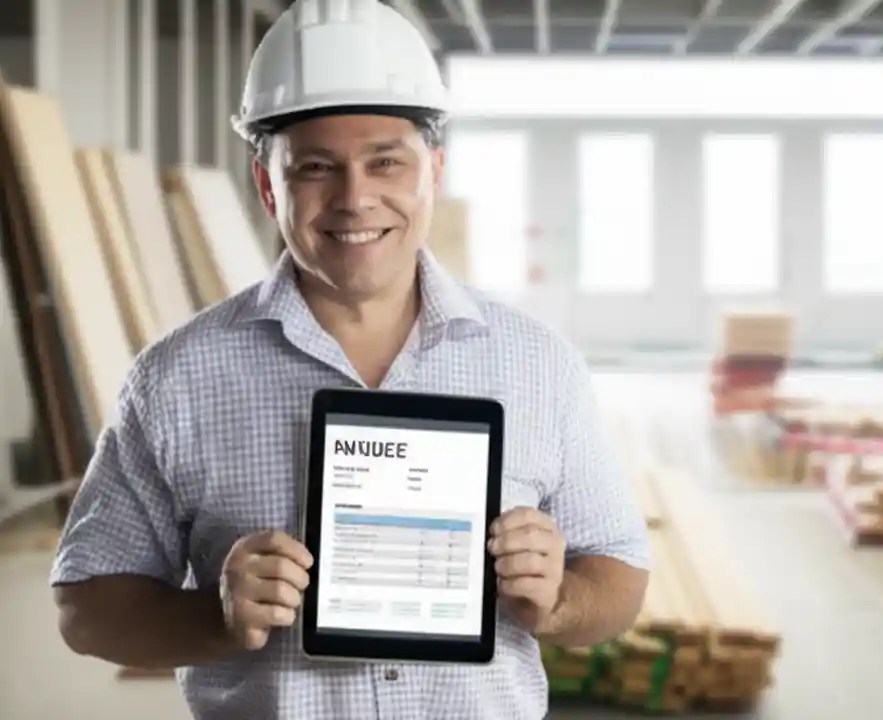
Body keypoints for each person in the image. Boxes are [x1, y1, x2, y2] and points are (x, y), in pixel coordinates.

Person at [49, 1, 650, 718]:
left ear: (433, 171)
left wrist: (557, 601)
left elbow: (619, 577)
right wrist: (212, 619)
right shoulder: (176, 376)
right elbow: (85, 606)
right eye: (316, 168)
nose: (355, 198)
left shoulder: (537, 363)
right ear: (269, 186)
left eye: (385, 162)